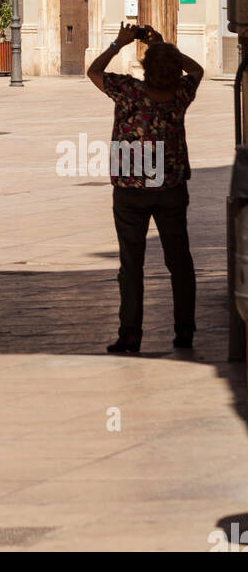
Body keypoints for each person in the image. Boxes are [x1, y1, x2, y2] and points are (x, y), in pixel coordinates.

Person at [87, 22, 203, 355]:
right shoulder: (182, 94)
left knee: (131, 263)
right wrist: (166, 49)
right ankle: (184, 331)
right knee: (179, 261)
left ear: (145, 68)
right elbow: (197, 69)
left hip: (130, 188)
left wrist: (119, 42)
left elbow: (94, 71)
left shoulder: (128, 91)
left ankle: (130, 333)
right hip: (170, 187)